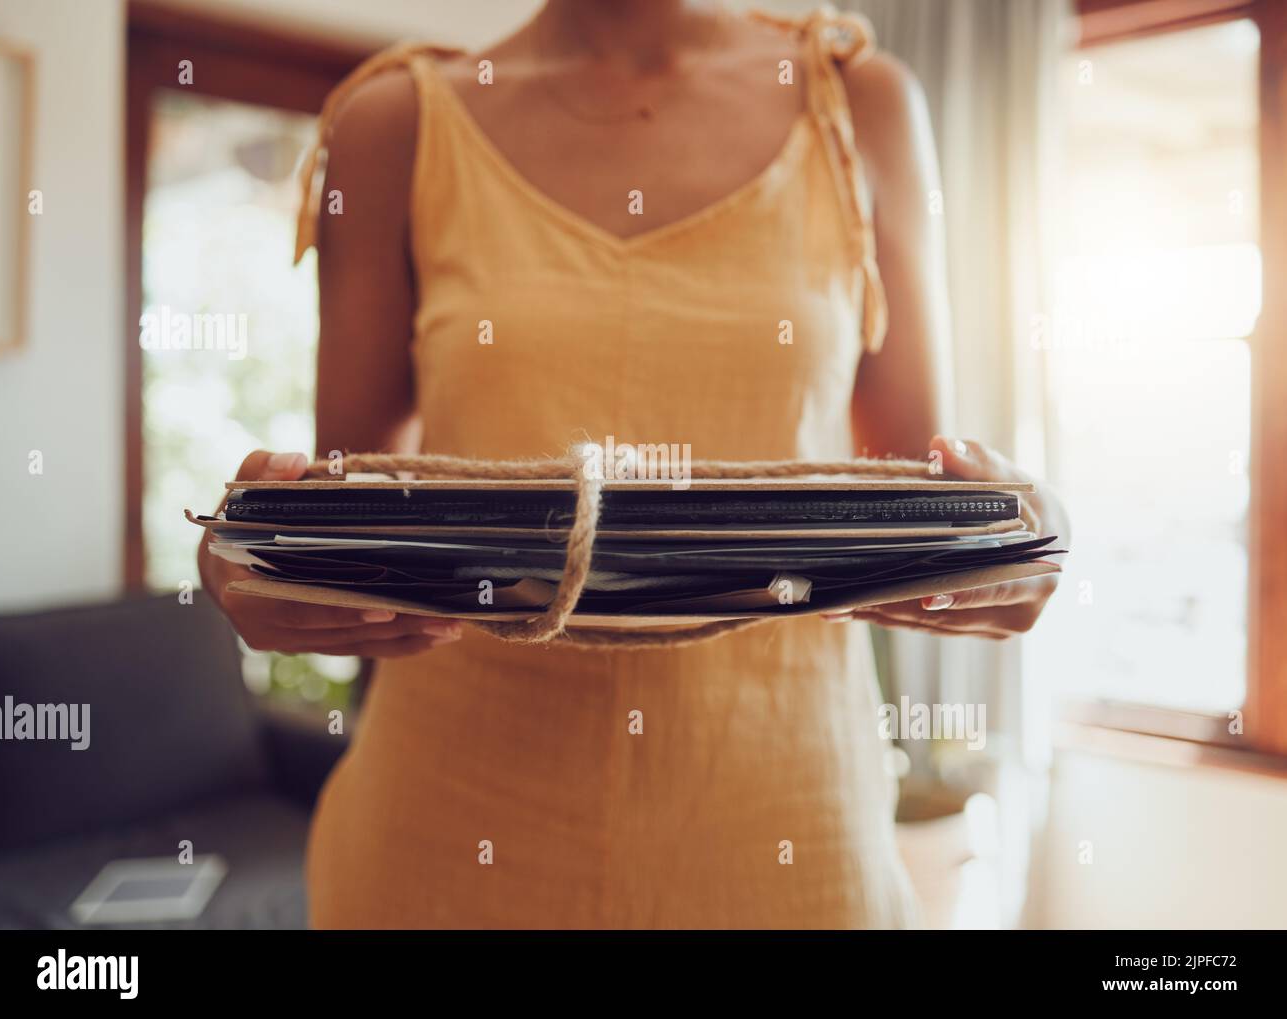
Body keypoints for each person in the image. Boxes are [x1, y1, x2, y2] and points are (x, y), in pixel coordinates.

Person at [198, 0, 1069, 928]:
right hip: (449, 827)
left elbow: (913, 495)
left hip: (785, 828)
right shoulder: (395, 124)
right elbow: (349, 508)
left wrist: (1014, 538)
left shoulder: (860, 104)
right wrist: (251, 559)